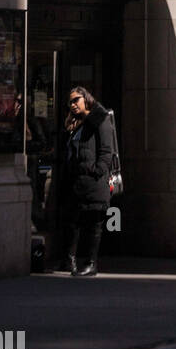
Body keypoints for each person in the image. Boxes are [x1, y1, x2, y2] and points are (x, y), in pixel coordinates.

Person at [61, 86, 114, 278]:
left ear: (86, 99)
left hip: (93, 181)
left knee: (94, 223)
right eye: (71, 102)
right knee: (74, 221)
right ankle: (70, 259)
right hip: (77, 182)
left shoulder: (100, 119)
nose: (73, 104)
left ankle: (91, 263)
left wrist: (97, 170)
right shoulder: (75, 123)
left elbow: (106, 150)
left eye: (76, 100)